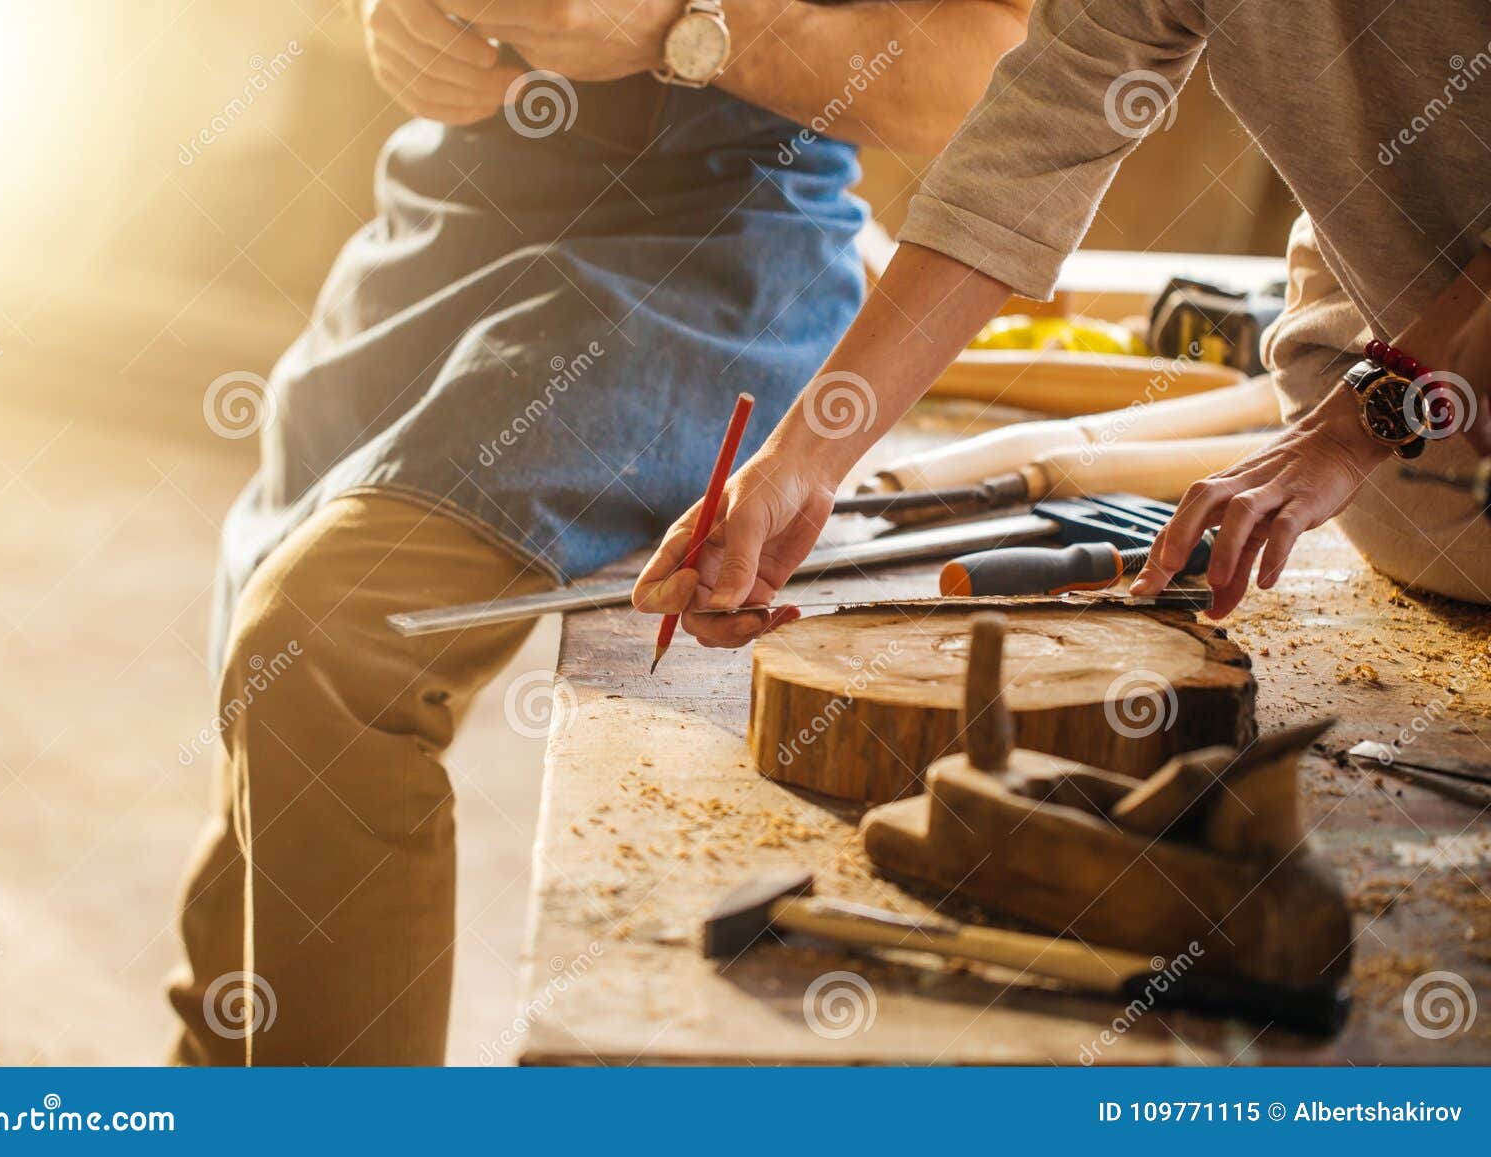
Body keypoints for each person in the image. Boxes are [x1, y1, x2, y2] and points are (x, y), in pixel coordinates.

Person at [167, 0, 1032, 1064]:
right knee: (269, 738)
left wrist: (686, 25)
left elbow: (992, 68)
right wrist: (397, 21)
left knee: (329, 642)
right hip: (445, 218)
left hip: (707, 242)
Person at [634, 0, 1491, 654]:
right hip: (1395, 414)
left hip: (1408, 393)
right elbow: (1030, 150)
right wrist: (804, 461)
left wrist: (1360, 422)